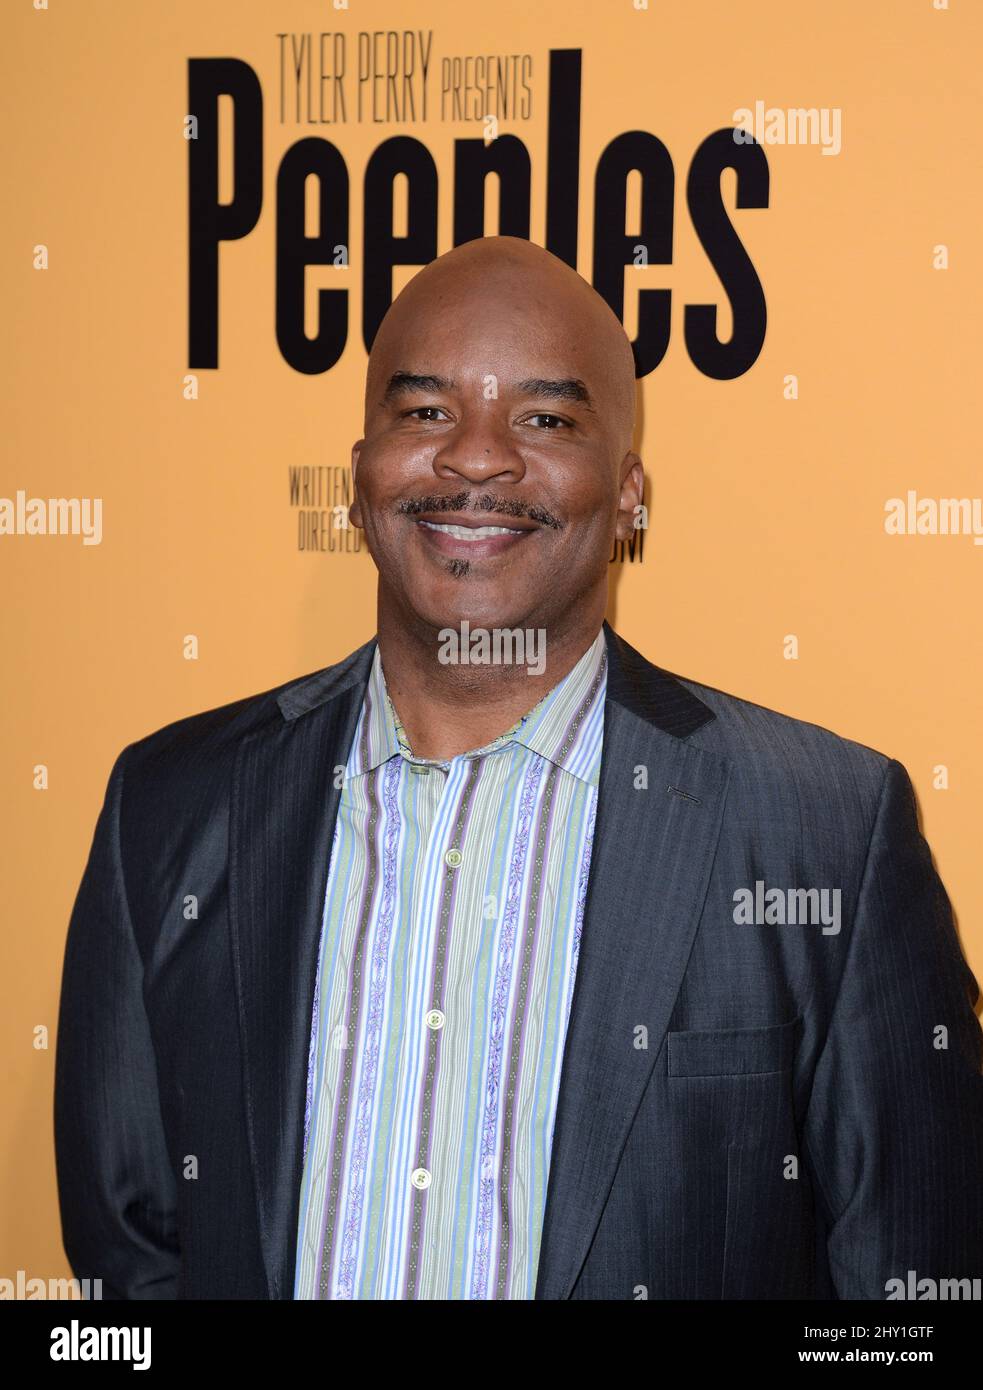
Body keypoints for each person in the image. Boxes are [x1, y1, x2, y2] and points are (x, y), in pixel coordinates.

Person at [54, 236, 983, 1300]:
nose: (477, 459)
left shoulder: (824, 828)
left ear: (629, 493)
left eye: (544, 420)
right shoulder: (169, 806)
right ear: (357, 477)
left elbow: (912, 1294)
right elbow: (131, 1260)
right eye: (423, 413)